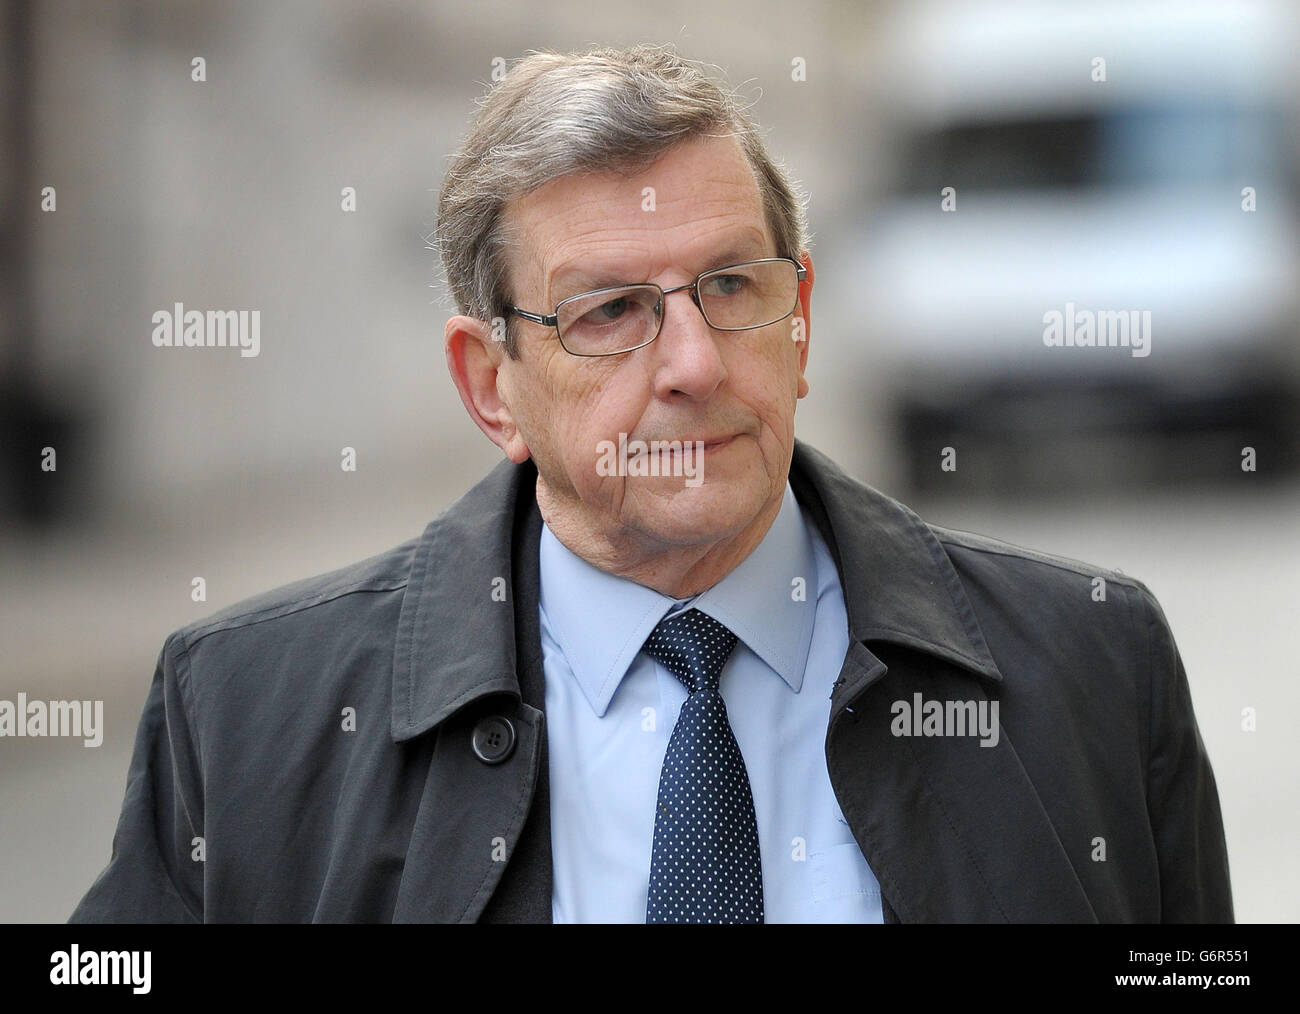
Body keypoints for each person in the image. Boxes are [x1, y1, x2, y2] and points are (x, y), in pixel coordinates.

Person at [69, 43, 1232, 924]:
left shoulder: (1087, 663)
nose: (691, 363)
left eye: (730, 285)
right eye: (609, 312)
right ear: (491, 386)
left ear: (802, 320)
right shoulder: (242, 716)